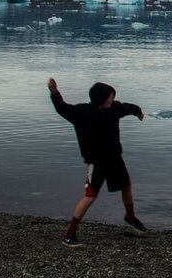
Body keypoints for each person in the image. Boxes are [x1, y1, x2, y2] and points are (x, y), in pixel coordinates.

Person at [48, 77, 148, 247]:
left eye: (113, 96)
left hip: (115, 158)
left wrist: (137, 111)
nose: (112, 99)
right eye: (110, 96)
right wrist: (55, 93)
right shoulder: (81, 113)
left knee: (126, 186)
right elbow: (62, 108)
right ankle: (69, 234)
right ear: (101, 97)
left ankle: (130, 217)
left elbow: (127, 107)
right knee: (90, 196)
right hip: (97, 161)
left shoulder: (114, 109)